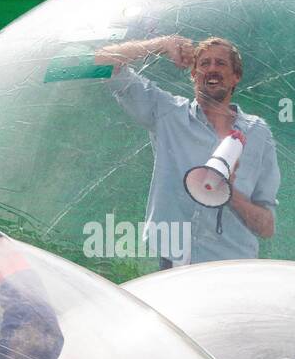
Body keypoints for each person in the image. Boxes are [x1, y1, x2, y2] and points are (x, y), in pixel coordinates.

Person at [94, 35, 280, 267]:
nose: (212, 69)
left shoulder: (258, 134)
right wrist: (160, 45)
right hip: (174, 263)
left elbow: (266, 227)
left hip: (234, 268)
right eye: (204, 63)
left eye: (221, 63)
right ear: (193, 74)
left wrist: (228, 192)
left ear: (236, 77)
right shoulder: (167, 113)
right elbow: (102, 64)